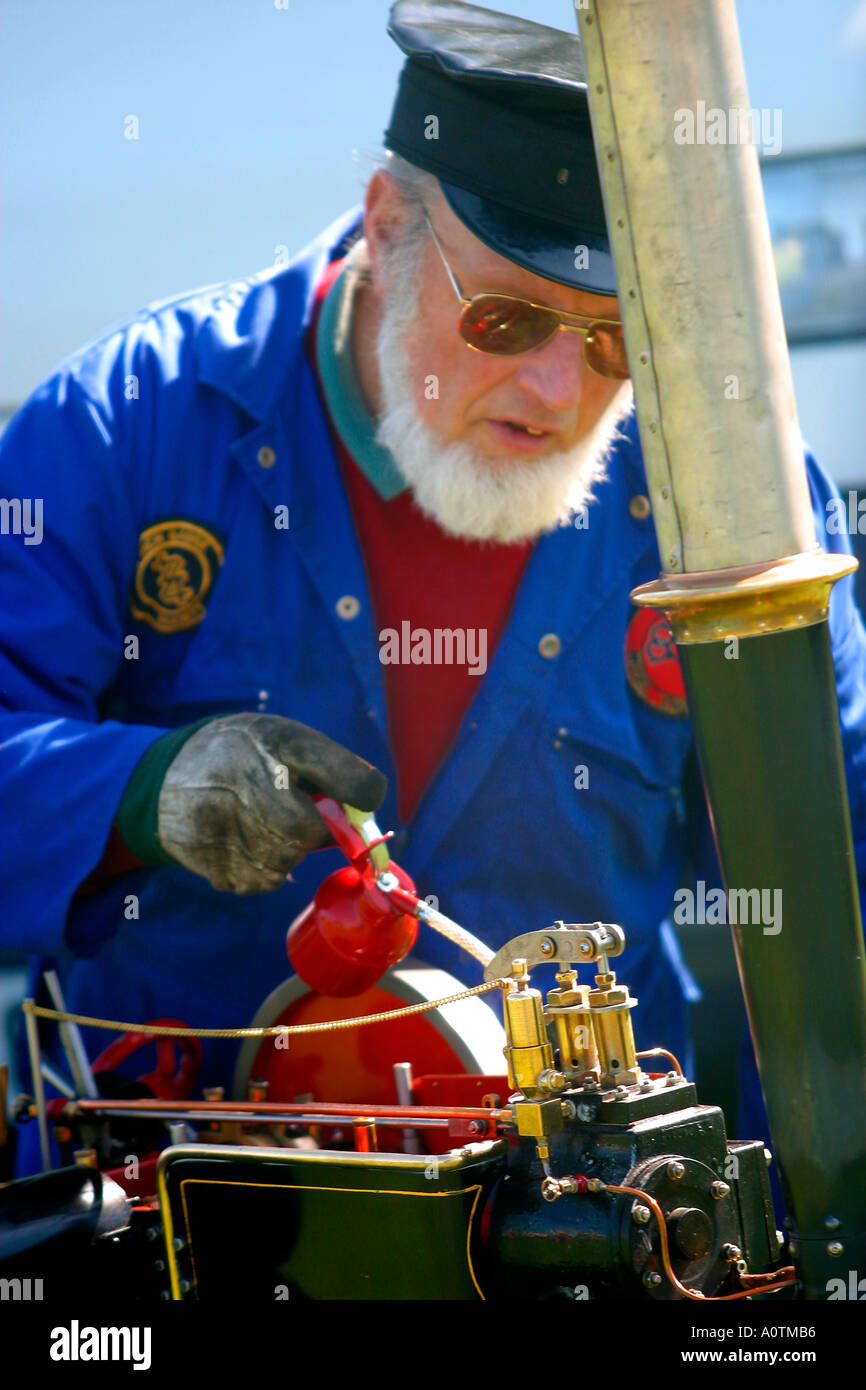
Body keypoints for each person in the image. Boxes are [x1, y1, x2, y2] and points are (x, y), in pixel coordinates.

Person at [2, 1, 864, 1180]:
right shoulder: (131, 426)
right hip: (190, 1196)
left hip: (596, 1211)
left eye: (618, 342)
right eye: (506, 319)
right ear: (385, 225)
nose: (559, 393)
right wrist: (142, 790)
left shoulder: (726, 492)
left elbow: (835, 864)